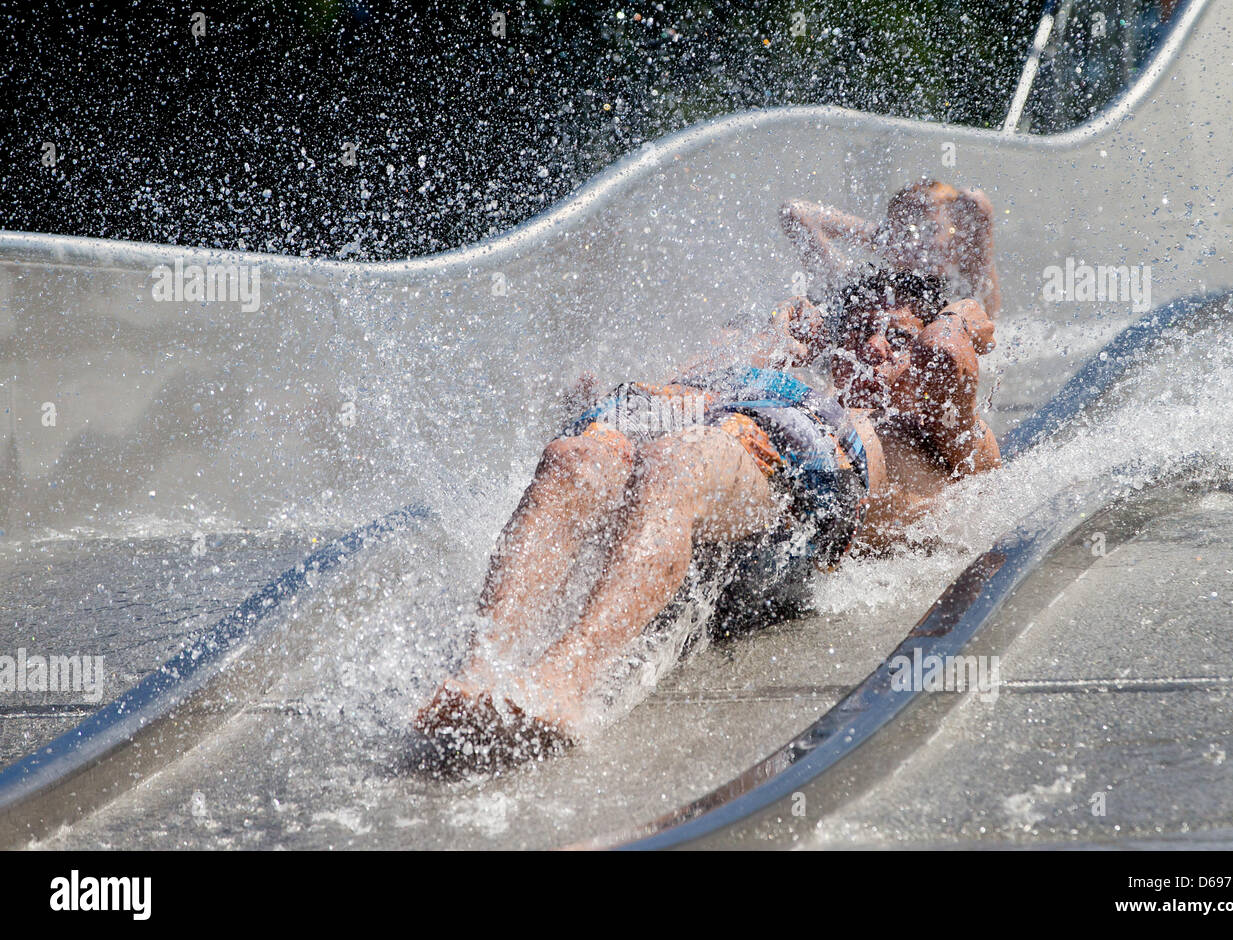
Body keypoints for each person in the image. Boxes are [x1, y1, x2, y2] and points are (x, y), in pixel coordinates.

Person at [414, 180, 1002, 773]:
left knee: (679, 461)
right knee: (572, 459)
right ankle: (474, 673)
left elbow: (948, 356)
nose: (873, 347)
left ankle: (563, 681)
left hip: (798, 485)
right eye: (860, 333)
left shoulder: (938, 434)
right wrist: (778, 338)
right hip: (726, 421)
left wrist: (957, 313)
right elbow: (706, 372)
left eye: (897, 338)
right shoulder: (810, 381)